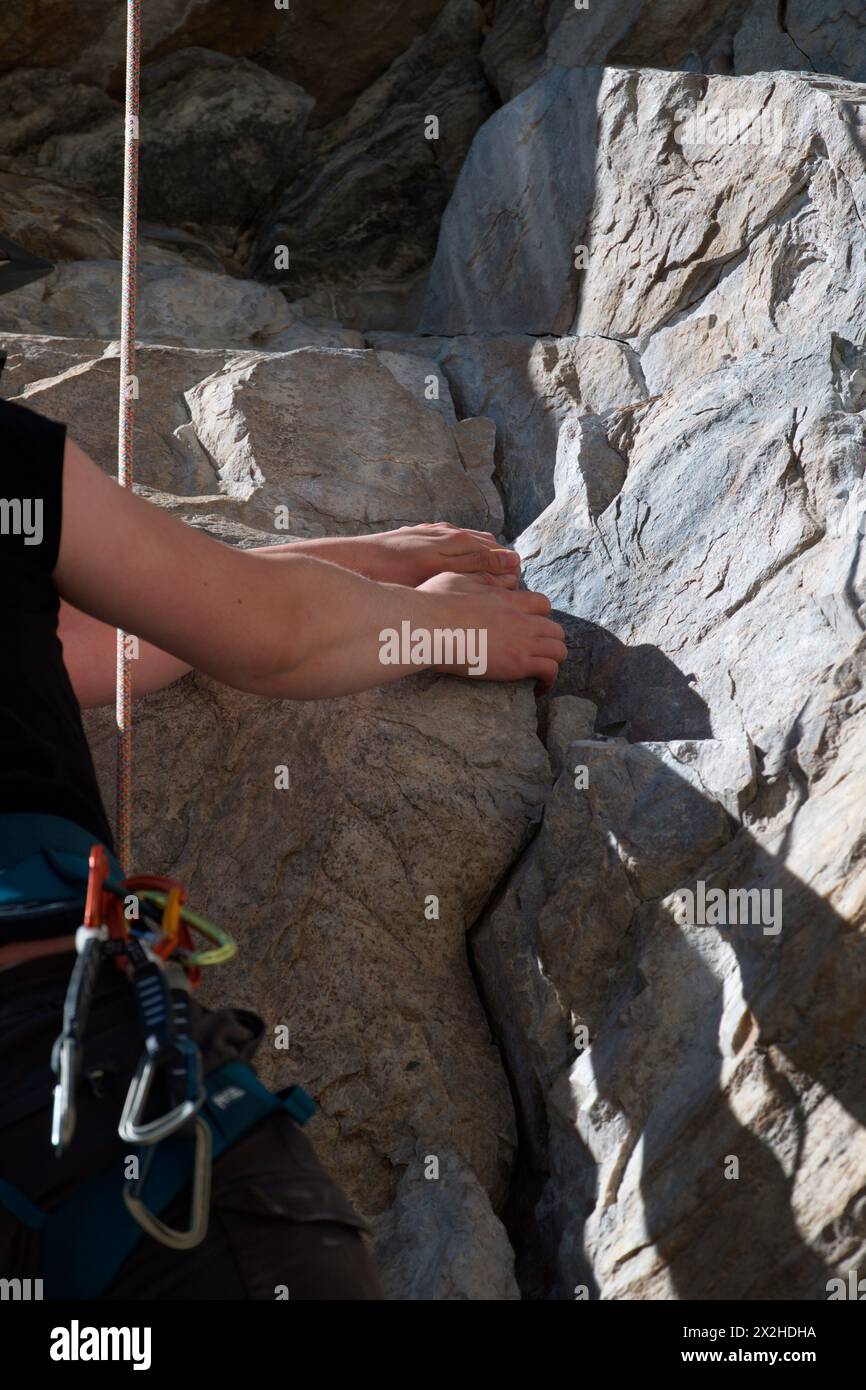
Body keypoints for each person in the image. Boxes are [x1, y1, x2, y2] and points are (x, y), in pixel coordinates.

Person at [0, 393, 566, 1299]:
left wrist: (351, 562)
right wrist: (445, 624)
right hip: (56, 1087)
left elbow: (91, 644)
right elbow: (264, 636)